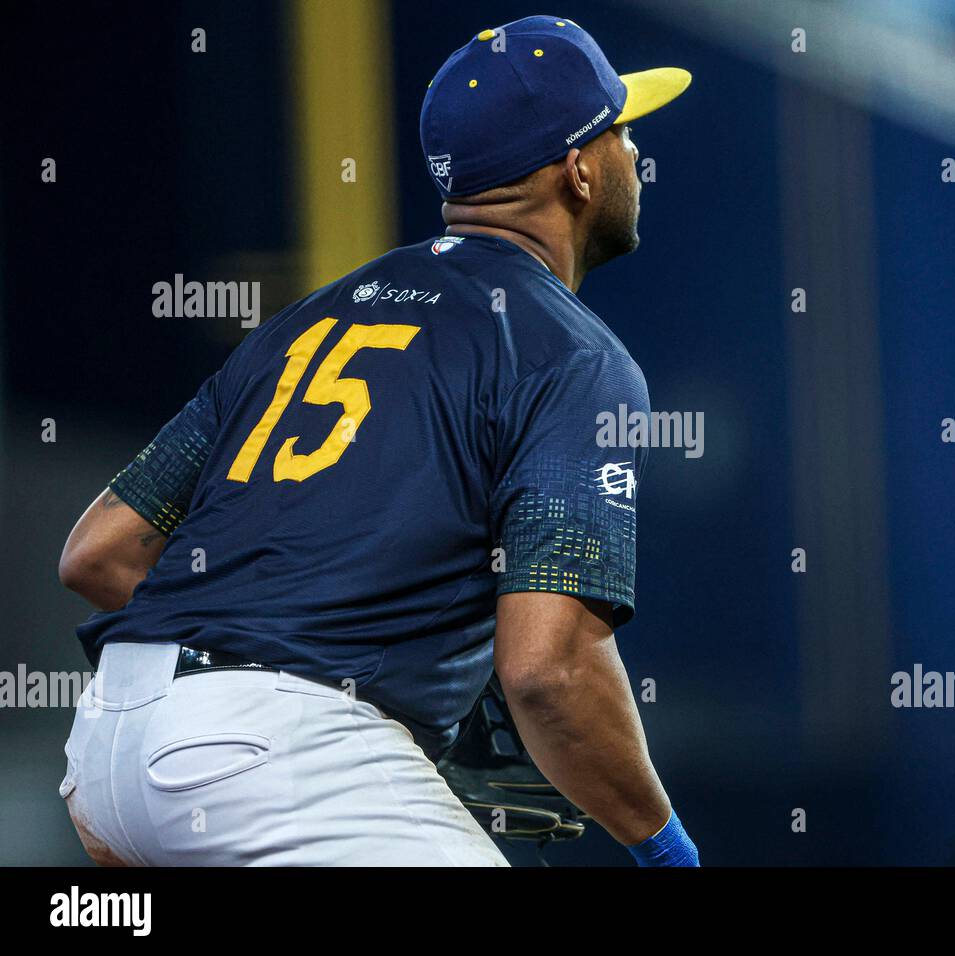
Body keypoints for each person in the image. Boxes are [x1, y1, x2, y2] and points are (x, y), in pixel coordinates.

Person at [56, 15, 697, 867]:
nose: (632, 150)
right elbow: (549, 670)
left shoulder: (311, 317)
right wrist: (665, 846)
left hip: (107, 750)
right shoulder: (572, 354)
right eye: (618, 128)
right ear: (578, 171)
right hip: (278, 758)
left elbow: (96, 554)